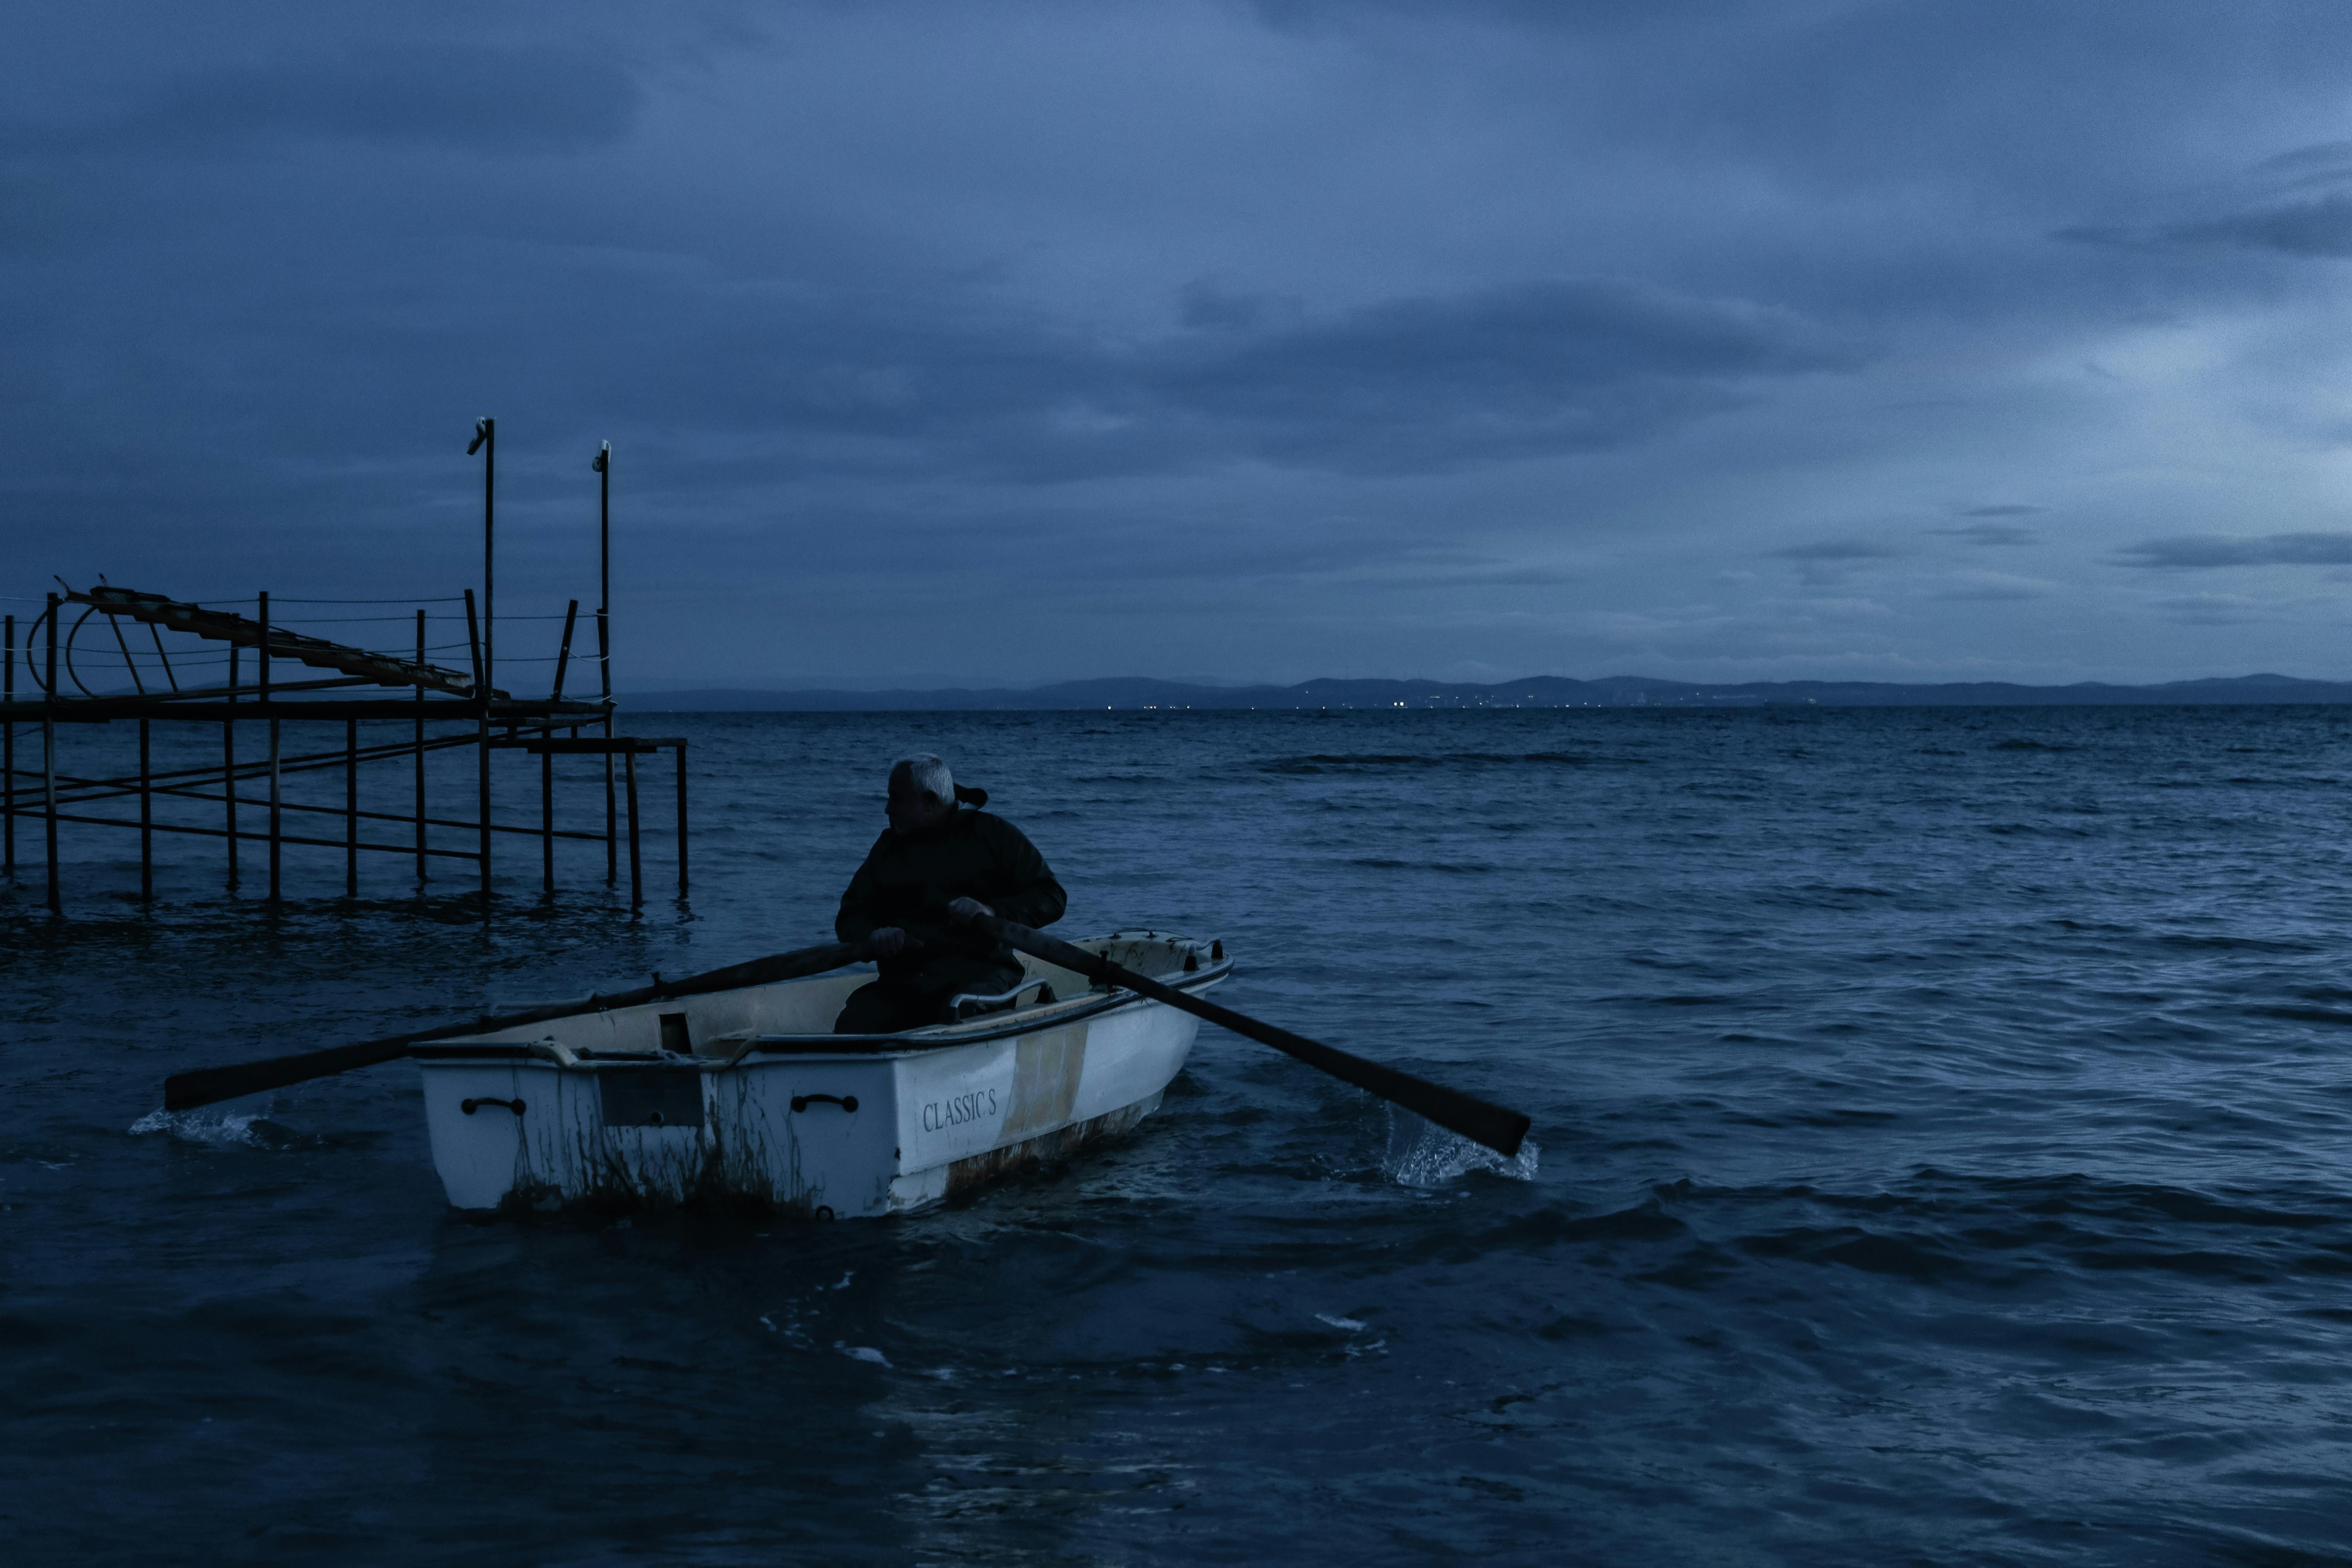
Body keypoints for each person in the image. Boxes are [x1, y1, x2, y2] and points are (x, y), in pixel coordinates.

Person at [832, 754, 1068, 1033]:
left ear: (930, 802)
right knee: (853, 1024)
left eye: (896, 799)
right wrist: (874, 936)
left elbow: (1051, 896)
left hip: (982, 976)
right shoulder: (887, 848)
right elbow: (851, 914)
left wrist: (991, 911)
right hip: (904, 984)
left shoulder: (991, 834)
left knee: (960, 1017)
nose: (887, 809)